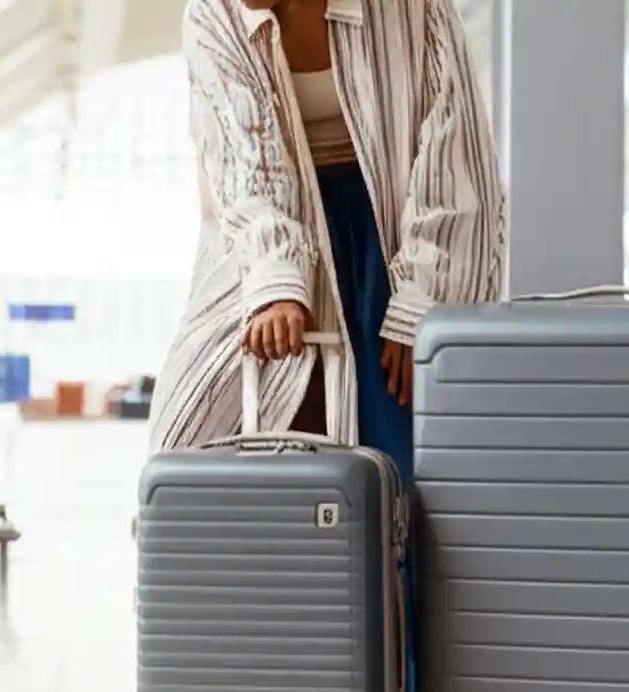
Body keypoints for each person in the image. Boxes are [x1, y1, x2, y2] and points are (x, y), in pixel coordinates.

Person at [149, 0, 504, 482]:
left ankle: (401, 554)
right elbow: (243, 162)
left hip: (396, 231)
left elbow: (454, 149)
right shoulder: (214, 14)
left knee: (406, 433)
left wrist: (423, 301)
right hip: (266, 233)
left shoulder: (414, 8)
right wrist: (276, 280)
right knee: (194, 429)